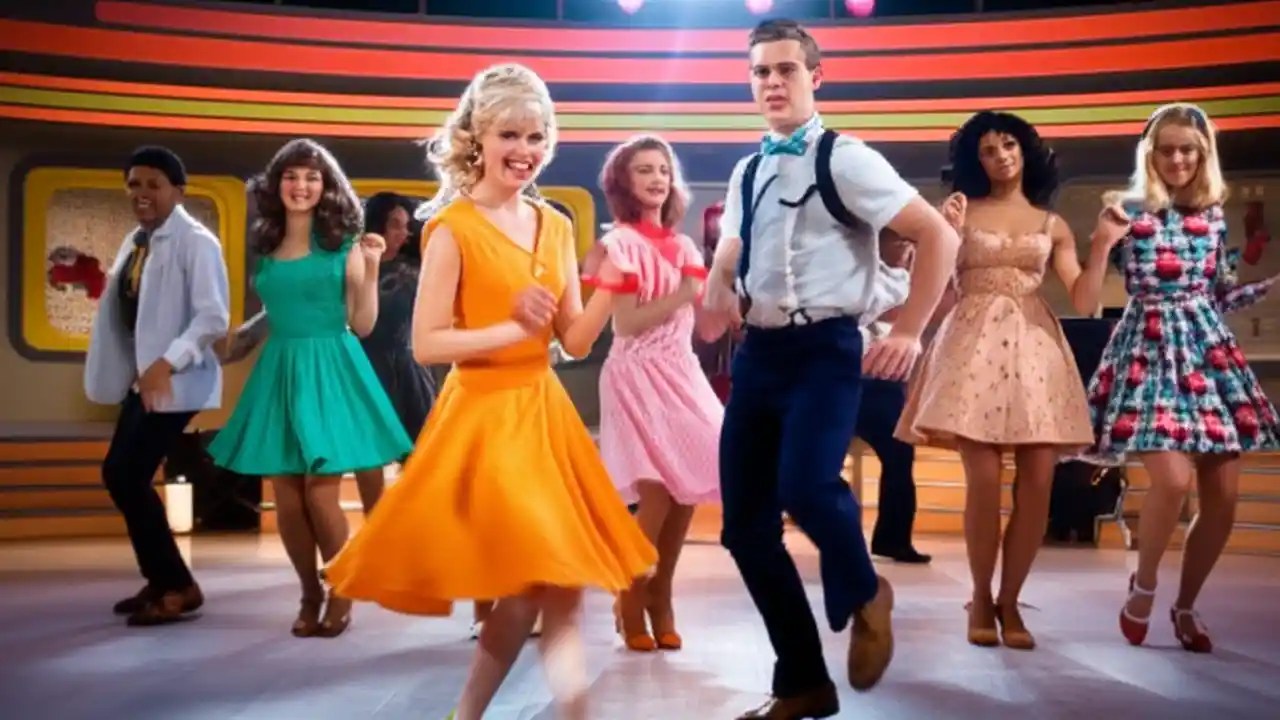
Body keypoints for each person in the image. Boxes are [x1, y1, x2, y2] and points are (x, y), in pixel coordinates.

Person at [322, 64, 655, 720]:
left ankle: (491, 713)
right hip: (483, 413)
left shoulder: (554, 225)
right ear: (477, 135)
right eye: (511, 134)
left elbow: (575, 340)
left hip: (542, 413)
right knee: (541, 582)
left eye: (538, 136)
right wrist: (508, 325)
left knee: (556, 592)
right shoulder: (452, 227)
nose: (526, 151)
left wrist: (612, 285)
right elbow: (427, 344)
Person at [701, 19, 960, 720]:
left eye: (786, 69)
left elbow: (937, 234)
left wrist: (908, 332)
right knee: (745, 529)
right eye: (760, 72)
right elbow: (731, 245)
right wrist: (720, 286)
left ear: (817, 77)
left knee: (808, 487)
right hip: (759, 355)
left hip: (826, 350)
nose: (772, 83)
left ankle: (865, 590)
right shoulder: (749, 166)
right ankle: (803, 681)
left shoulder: (847, 159)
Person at [1072, 103, 1280, 653]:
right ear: (1151, 154)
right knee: (1170, 479)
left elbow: (1218, 295)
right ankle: (1142, 586)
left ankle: (1186, 607)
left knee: (1226, 497)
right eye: (1167, 149)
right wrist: (1099, 246)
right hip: (1149, 349)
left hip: (1207, 353)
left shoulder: (1212, 216)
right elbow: (1087, 302)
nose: (1178, 158)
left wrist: (1269, 287)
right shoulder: (1125, 211)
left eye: (1188, 148)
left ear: (1204, 153)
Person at [894, 111, 1095, 649]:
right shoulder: (959, 212)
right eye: (988, 149)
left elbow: (1086, 299)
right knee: (983, 481)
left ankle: (1011, 601)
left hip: (1036, 350)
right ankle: (981, 597)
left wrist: (1102, 249)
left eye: (1009, 144)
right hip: (970, 345)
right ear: (973, 160)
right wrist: (943, 234)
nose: (1001, 155)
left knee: (1038, 483)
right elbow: (927, 280)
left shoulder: (1052, 224)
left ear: (1026, 150)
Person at [207, 138, 413, 639]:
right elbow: (273, 313)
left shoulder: (345, 245)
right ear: (278, 185)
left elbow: (362, 325)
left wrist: (369, 270)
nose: (301, 186)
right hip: (280, 369)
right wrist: (234, 341)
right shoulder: (269, 244)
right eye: (293, 176)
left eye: (312, 177)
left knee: (321, 494)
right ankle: (308, 592)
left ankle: (342, 587)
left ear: (326, 187)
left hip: (331, 367)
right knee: (288, 497)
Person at [587, 134, 724, 652]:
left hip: (682, 371)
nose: (656, 178)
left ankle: (662, 593)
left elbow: (705, 328)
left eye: (663, 169)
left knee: (691, 486)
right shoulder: (616, 245)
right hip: (635, 373)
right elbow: (625, 324)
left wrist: (723, 294)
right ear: (624, 182)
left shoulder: (686, 245)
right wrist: (683, 294)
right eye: (644, 170)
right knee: (657, 497)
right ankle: (630, 598)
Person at [85, 146, 230, 627]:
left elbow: (213, 316)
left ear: (177, 190)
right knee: (120, 475)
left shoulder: (196, 241)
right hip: (143, 379)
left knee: (125, 475)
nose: (141, 194)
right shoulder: (138, 240)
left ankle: (179, 585)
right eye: (134, 184)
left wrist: (166, 363)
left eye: (153, 185)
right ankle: (161, 576)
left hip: (174, 380)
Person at [857, 229, 930, 565]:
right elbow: (888, 314)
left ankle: (893, 539)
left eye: (908, 242)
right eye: (897, 241)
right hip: (847, 378)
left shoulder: (911, 280)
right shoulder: (862, 272)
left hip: (887, 386)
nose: (904, 248)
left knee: (900, 458)